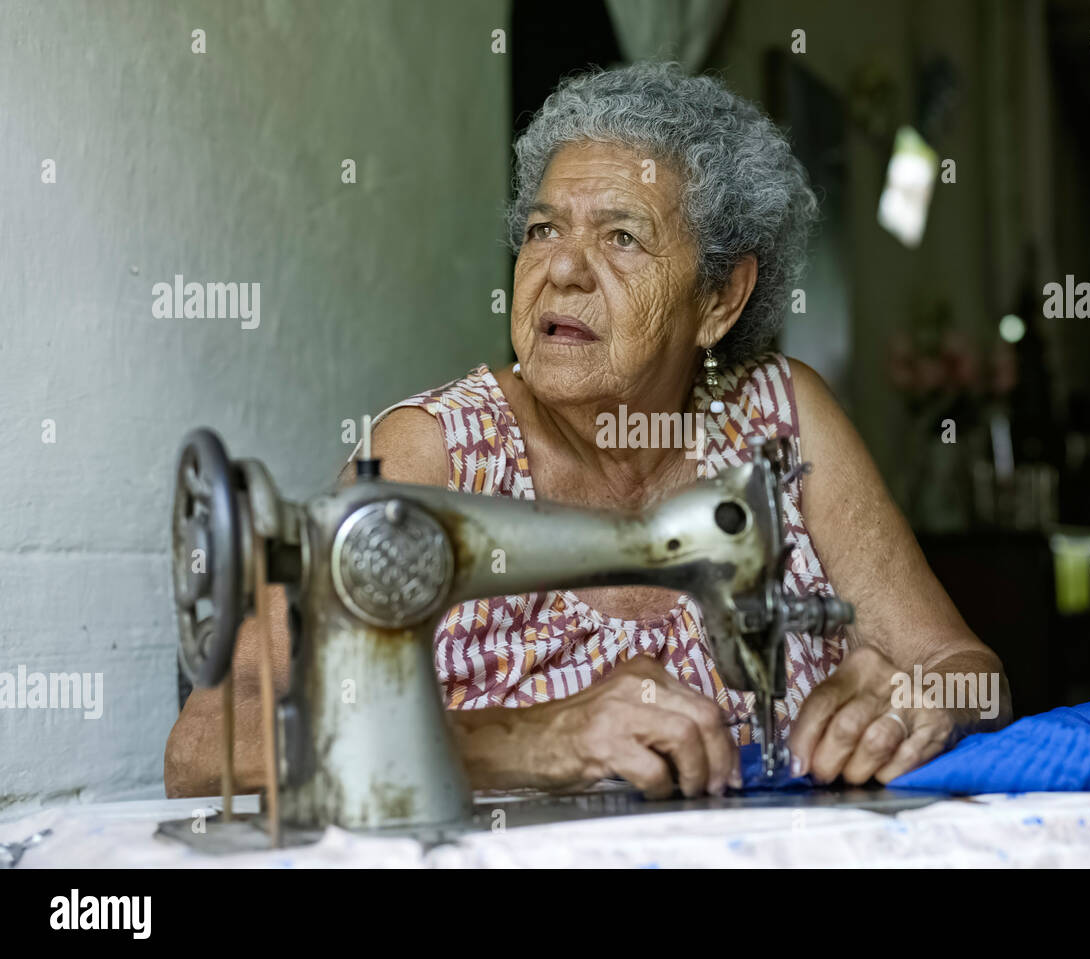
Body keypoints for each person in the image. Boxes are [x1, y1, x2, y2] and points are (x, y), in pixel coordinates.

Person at [165, 62, 1010, 801]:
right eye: (542, 230)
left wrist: (916, 702)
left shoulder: (784, 420)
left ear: (720, 297)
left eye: (620, 236)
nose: (562, 269)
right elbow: (209, 743)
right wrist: (537, 739)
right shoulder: (434, 454)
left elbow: (973, 674)